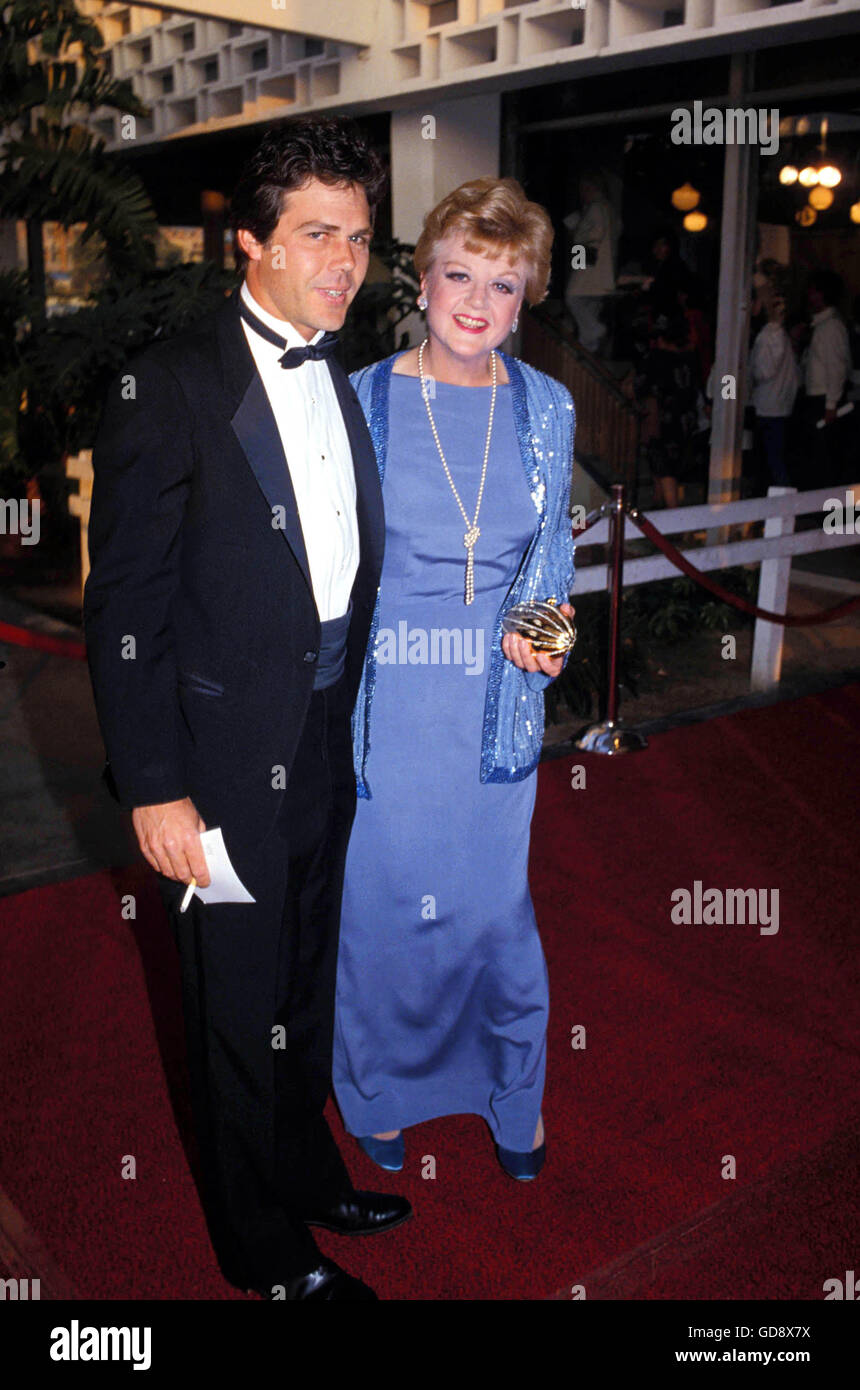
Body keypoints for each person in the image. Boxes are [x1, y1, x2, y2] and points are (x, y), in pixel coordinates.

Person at [83, 117, 412, 1302]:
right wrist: (155, 785)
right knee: (231, 1003)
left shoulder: (345, 371)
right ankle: (259, 1250)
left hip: (321, 733)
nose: (343, 262)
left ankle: (305, 1169)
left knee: (298, 979)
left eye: (359, 238)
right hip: (217, 761)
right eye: (316, 234)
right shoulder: (171, 385)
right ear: (251, 246)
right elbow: (122, 606)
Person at [333, 177, 576, 1181]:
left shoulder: (546, 406)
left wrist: (546, 636)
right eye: (460, 274)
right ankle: (378, 1093)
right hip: (385, 709)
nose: (479, 300)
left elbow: (548, 559)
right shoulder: (363, 402)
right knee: (382, 915)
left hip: (492, 709)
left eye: (505, 284)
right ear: (423, 281)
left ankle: (513, 1098)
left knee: (492, 916)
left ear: (526, 301)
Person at [749, 264, 799, 488]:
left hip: (769, 408)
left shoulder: (771, 335)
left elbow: (763, 371)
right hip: (774, 406)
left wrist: (729, 394)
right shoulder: (776, 334)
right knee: (772, 462)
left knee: (773, 464)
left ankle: (779, 515)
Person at [801, 269, 852, 485]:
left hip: (825, 400)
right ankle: (827, 509)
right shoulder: (821, 325)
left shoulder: (831, 327)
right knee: (822, 457)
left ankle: (832, 512)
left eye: (814, 292)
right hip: (819, 398)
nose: (810, 296)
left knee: (828, 459)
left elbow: (837, 368)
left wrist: (831, 404)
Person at [563, 171, 616, 354]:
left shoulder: (596, 207)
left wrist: (577, 234)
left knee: (573, 297)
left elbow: (592, 236)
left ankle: (593, 331)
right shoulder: (605, 208)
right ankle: (589, 344)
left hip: (588, 259)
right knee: (590, 305)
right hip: (593, 262)